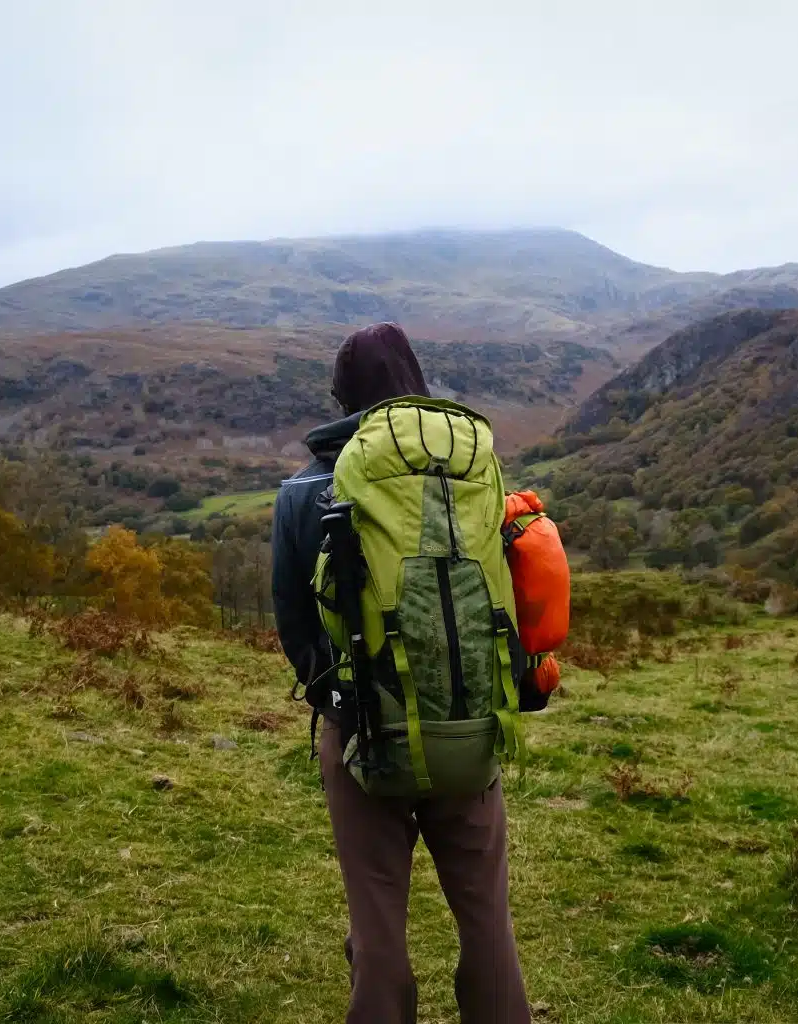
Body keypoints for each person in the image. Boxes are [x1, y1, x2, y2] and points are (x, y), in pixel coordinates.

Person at [271, 322, 532, 1024]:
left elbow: (295, 630)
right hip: (468, 723)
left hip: (363, 735)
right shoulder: (467, 470)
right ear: (415, 385)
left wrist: (344, 702)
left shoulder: (303, 493)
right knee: (487, 924)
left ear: (341, 395)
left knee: (379, 928)